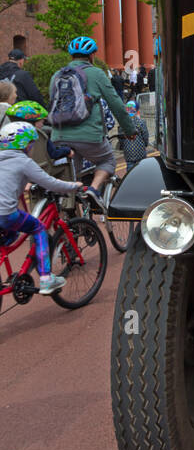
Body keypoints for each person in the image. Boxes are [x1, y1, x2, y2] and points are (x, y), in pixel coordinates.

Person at [47, 37, 137, 210]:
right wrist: (129, 130)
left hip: (59, 136)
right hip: (89, 137)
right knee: (108, 161)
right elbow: (116, 104)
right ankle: (94, 190)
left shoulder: (57, 75)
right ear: (92, 55)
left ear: (71, 55)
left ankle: (68, 218)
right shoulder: (96, 73)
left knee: (72, 177)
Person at [0, 121, 83, 294]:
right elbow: (51, 183)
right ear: (25, 144)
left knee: (12, 233)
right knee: (38, 229)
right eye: (32, 144)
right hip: (5, 213)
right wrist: (73, 186)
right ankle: (46, 278)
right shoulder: (23, 161)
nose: (32, 148)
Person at [121, 99, 149, 170]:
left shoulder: (122, 123)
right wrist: (145, 144)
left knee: (130, 173)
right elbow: (145, 137)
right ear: (137, 110)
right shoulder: (141, 122)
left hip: (129, 155)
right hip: (140, 153)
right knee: (143, 171)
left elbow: (121, 139)